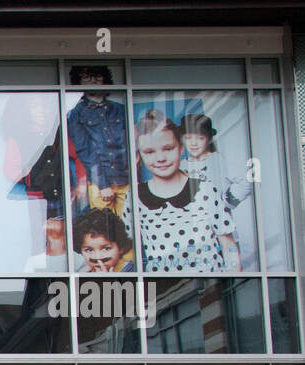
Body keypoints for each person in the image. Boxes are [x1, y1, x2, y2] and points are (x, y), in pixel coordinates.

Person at [134, 109, 239, 272]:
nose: (194, 143)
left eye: (200, 138)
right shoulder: (180, 168)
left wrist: (229, 200)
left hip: (213, 233)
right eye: (149, 151)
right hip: (173, 273)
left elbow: (228, 244)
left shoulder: (216, 163)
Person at [66, 65, 130, 219]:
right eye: (87, 77)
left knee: (128, 231)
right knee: (104, 231)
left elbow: (130, 144)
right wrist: (103, 184)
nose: (93, 81)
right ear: (79, 82)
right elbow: (85, 151)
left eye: (98, 76)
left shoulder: (120, 109)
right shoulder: (76, 113)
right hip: (99, 182)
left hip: (125, 179)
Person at [74, 207, 136, 273]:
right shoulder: (83, 272)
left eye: (106, 248)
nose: (98, 257)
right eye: (89, 250)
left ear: (121, 248)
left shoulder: (132, 270)